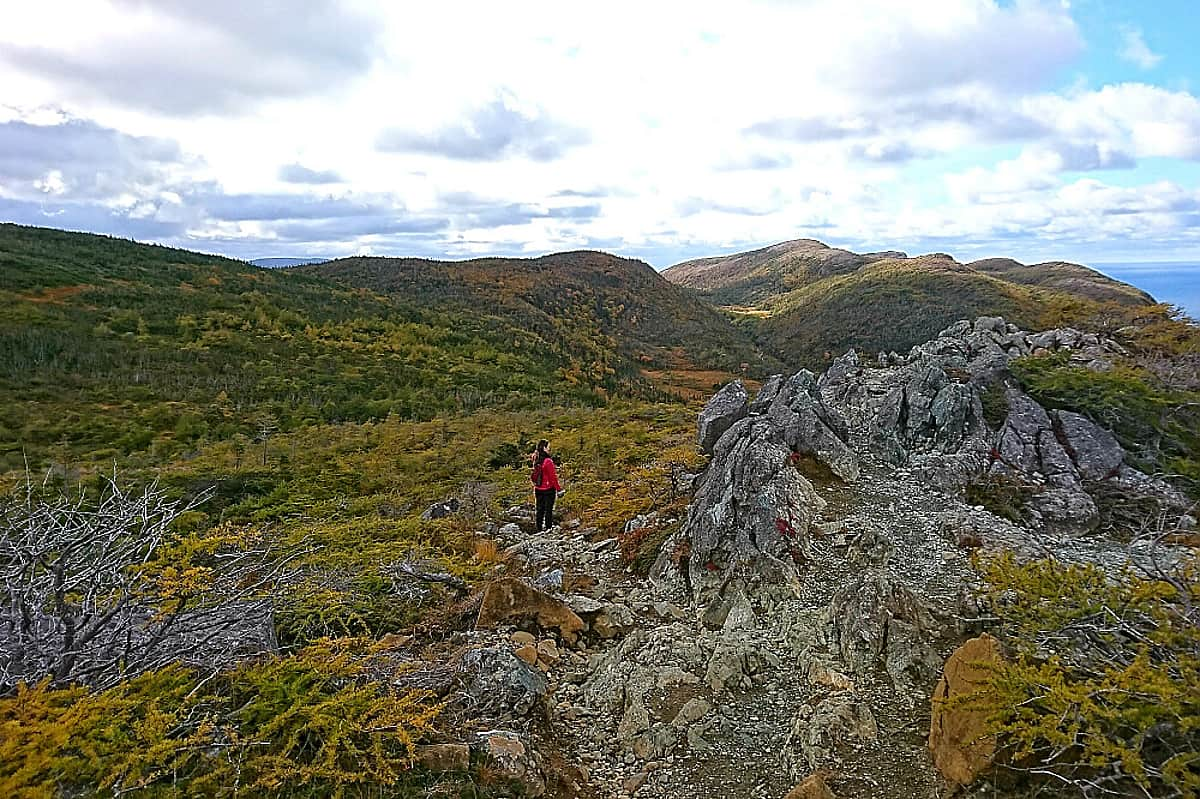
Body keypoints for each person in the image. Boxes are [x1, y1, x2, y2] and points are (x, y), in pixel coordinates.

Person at [531, 439, 562, 532]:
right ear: (544, 448)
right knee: (548, 509)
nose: (549, 449)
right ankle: (548, 528)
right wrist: (558, 489)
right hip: (548, 489)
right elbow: (553, 477)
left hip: (538, 488)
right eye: (548, 447)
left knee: (539, 509)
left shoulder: (536, 458)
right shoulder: (548, 461)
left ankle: (539, 528)